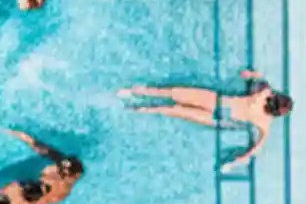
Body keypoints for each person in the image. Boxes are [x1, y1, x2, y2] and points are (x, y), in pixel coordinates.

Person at [117, 69, 293, 170]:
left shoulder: (265, 98)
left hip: (217, 110)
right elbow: (253, 152)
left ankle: (135, 100)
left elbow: (253, 151)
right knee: (172, 100)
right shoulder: (265, 107)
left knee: (172, 103)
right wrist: (231, 165)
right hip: (218, 110)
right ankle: (135, 98)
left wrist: (232, 164)